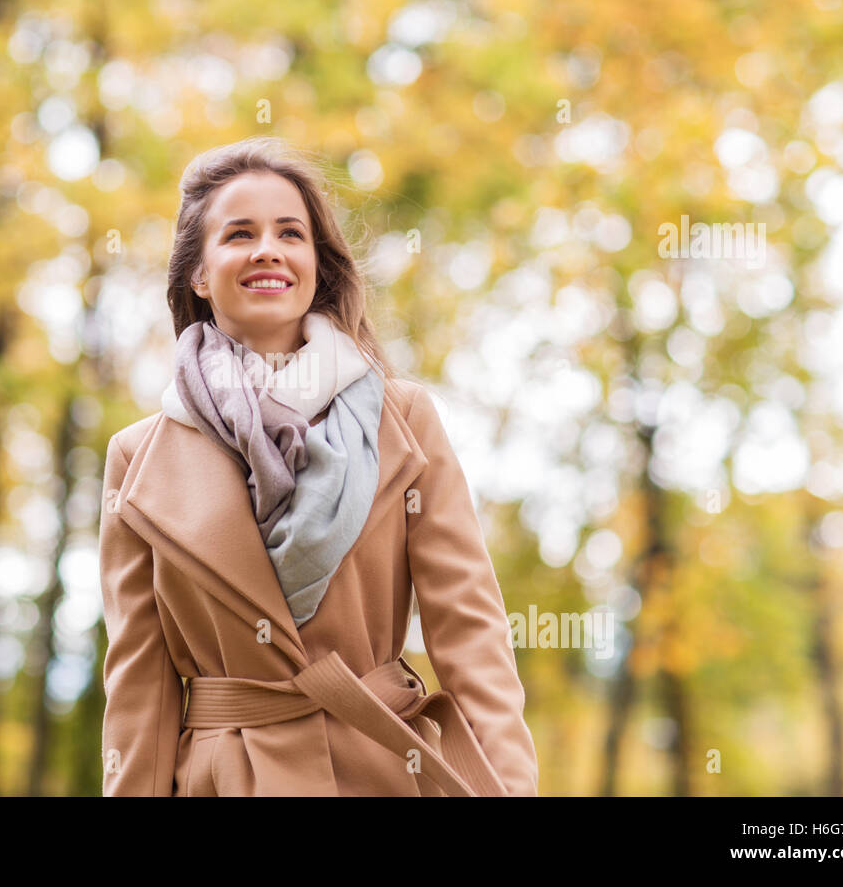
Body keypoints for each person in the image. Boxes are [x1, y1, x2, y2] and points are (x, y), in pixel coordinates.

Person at [98, 136, 538, 796]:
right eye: (239, 234)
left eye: (290, 233)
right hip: (228, 779)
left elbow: (471, 638)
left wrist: (511, 788)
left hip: (383, 765)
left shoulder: (404, 419)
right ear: (197, 272)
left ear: (316, 265)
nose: (267, 249)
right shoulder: (138, 457)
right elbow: (139, 688)